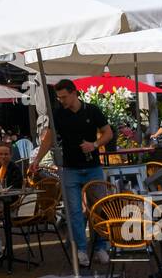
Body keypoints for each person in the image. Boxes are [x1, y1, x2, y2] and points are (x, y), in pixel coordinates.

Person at [29, 78, 113, 268]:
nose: (62, 101)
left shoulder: (92, 110)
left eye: (64, 97)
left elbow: (108, 133)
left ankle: (100, 247)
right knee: (74, 212)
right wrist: (36, 160)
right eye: (59, 97)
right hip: (69, 169)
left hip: (93, 167)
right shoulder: (58, 114)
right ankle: (81, 250)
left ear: (74, 93)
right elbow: (48, 140)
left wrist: (95, 145)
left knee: (98, 208)